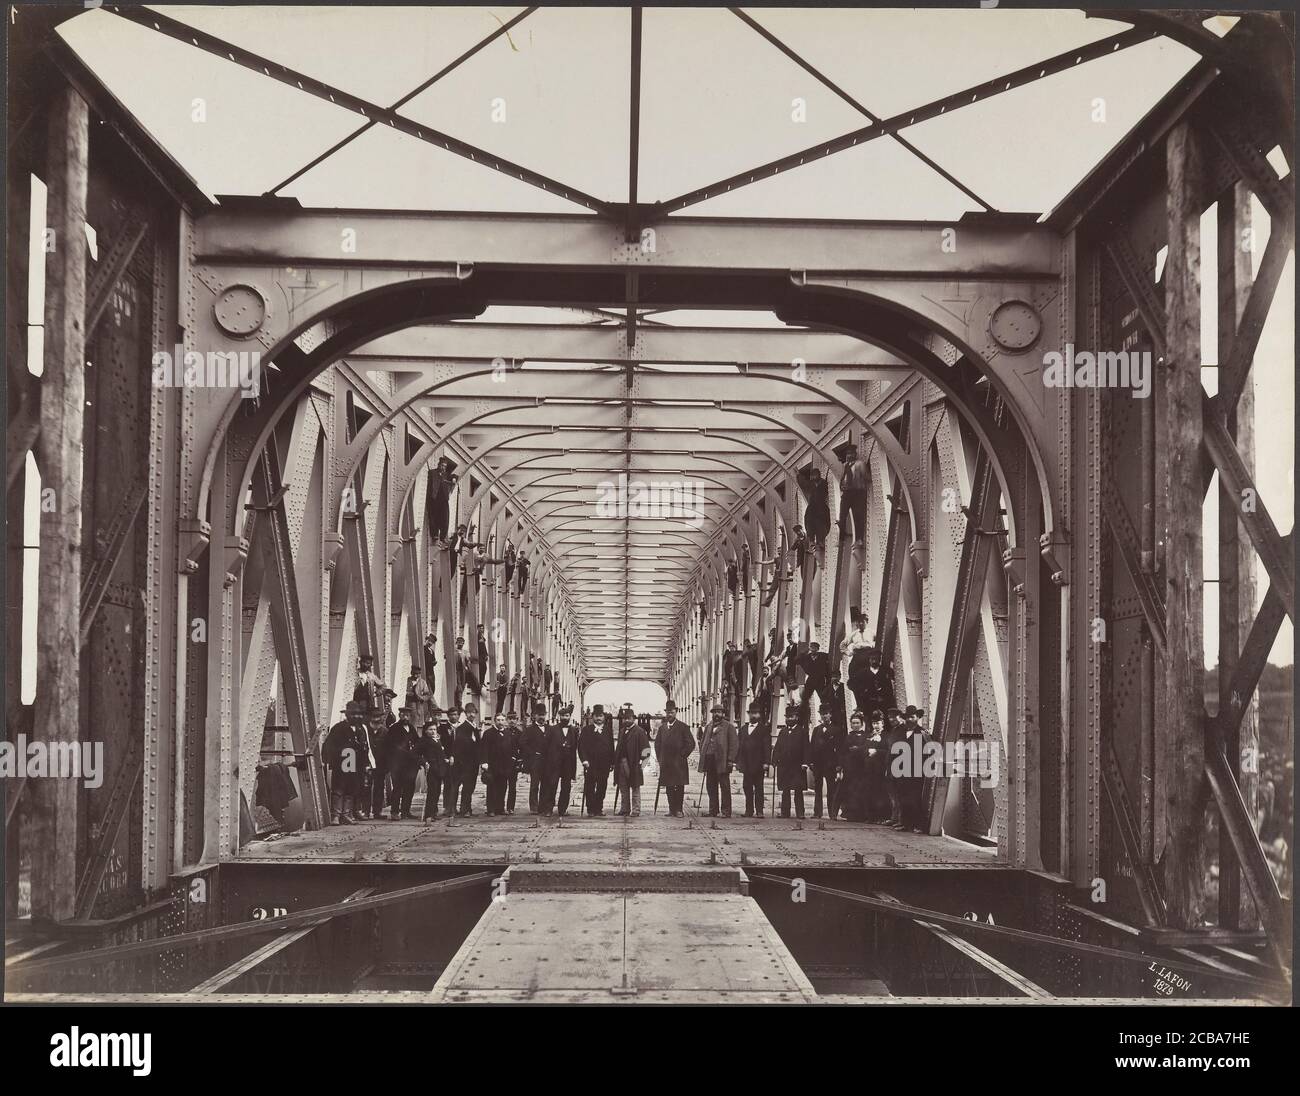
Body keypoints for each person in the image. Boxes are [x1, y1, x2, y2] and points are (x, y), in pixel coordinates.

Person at [322, 701, 368, 824]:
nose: (356, 717)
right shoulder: (338, 728)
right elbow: (329, 746)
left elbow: (365, 748)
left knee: (351, 789)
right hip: (342, 763)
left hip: (356, 764)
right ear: (347, 715)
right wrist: (329, 760)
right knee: (339, 788)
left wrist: (365, 764)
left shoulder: (360, 729)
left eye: (358, 714)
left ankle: (346, 814)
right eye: (353, 714)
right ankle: (336, 815)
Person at [655, 700, 695, 817]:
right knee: (669, 787)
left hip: (679, 763)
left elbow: (691, 743)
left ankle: (679, 810)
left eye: (671, 712)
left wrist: (682, 755)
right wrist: (660, 758)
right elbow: (657, 744)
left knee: (679, 786)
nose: (669, 714)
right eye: (668, 712)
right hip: (666, 763)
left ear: (676, 712)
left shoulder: (683, 727)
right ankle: (671, 809)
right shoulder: (662, 728)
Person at [698, 702, 737, 818]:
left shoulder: (728, 727)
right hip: (710, 760)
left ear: (723, 714)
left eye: (719, 712)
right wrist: (703, 755)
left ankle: (726, 811)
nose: (716, 714)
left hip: (722, 761)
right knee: (711, 786)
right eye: (715, 712)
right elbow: (703, 741)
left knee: (724, 786)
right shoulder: (709, 726)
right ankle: (713, 810)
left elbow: (734, 744)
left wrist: (730, 760)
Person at [384, 706, 422, 819]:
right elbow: (392, 747)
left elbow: (417, 742)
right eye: (403, 715)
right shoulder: (394, 729)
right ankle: (394, 812)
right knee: (397, 788)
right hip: (398, 765)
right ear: (400, 715)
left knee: (409, 788)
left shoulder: (411, 728)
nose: (405, 717)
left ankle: (406, 811)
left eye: (407, 715)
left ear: (410, 717)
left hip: (411, 765)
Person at [540, 709, 578, 816]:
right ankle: (548, 809)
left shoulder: (574, 730)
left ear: (570, 716)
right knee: (551, 785)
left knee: (566, 787)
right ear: (559, 717)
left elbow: (574, 747)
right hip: (554, 763)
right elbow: (546, 746)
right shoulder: (552, 729)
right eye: (563, 716)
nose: (565, 718)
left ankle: (562, 809)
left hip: (568, 763)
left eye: (567, 715)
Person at [899, 708, 933, 833]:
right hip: (902, 769)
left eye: (912, 717)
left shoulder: (923, 733)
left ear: (917, 717)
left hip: (917, 770)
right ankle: (906, 824)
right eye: (907, 717)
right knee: (904, 797)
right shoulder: (901, 731)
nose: (909, 719)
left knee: (915, 798)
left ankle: (919, 825)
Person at [612, 711, 651, 817]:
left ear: (634, 719)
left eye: (629, 718)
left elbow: (646, 749)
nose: (626, 720)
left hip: (633, 764)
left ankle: (636, 810)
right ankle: (625, 809)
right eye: (624, 718)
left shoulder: (640, 731)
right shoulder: (621, 731)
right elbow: (618, 748)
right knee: (623, 787)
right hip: (621, 763)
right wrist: (615, 762)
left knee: (635, 787)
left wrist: (642, 764)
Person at [736, 701, 770, 818]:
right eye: (752, 713)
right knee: (747, 788)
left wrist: (766, 762)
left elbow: (767, 746)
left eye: (756, 713)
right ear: (748, 714)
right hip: (746, 765)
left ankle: (759, 811)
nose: (754, 715)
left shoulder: (764, 729)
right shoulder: (743, 729)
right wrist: (738, 762)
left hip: (758, 765)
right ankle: (748, 810)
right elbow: (739, 747)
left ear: (759, 715)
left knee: (759, 788)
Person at [772, 711, 808, 819]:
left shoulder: (802, 731)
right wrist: (774, 760)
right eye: (787, 717)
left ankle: (800, 812)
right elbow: (777, 747)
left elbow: (806, 748)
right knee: (785, 789)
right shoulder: (783, 731)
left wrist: (805, 762)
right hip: (784, 765)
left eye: (791, 716)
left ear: (796, 717)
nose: (789, 719)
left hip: (797, 765)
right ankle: (785, 812)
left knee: (798, 789)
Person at [808, 711, 842, 820]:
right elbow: (812, 747)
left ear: (830, 715)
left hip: (830, 764)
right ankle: (817, 812)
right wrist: (811, 762)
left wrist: (838, 764)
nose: (824, 716)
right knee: (818, 788)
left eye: (826, 713)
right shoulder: (817, 729)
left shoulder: (836, 730)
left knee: (831, 788)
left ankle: (832, 813)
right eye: (822, 714)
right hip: (818, 764)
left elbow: (839, 749)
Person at [838, 711, 871, 822]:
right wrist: (842, 765)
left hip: (862, 768)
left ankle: (862, 815)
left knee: (861, 790)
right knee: (850, 791)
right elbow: (843, 751)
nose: (855, 725)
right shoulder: (848, 737)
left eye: (857, 723)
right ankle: (851, 814)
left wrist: (858, 749)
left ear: (862, 724)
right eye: (853, 723)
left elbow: (867, 749)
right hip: (850, 768)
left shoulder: (867, 736)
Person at [579, 716, 614, 816]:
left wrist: (612, 762)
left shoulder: (607, 730)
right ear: (593, 717)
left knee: (602, 786)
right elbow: (581, 746)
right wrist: (584, 760)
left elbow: (611, 746)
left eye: (601, 716)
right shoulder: (587, 730)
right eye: (596, 716)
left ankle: (598, 808)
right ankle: (590, 809)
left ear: (603, 717)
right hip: (590, 763)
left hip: (604, 764)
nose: (599, 718)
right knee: (590, 786)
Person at [452, 703, 481, 816]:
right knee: (465, 786)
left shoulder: (474, 727)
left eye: (473, 712)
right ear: (465, 713)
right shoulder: (462, 728)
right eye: (469, 712)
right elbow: (460, 746)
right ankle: (464, 809)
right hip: (464, 763)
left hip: (473, 763)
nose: (471, 715)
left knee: (470, 787)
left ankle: (467, 808)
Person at [481, 713, 512, 815]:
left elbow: (511, 748)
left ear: (505, 721)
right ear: (495, 721)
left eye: (502, 720)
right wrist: (484, 762)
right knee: (492, 787)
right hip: (492, 765)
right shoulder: (488, 733)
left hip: (504, 765)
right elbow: (484, 749)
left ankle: (500, 808)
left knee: (502, 787)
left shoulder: (508, 733)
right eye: (498, 720)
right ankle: (491, 809)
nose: (500, 722)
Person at [796, 463, 831, 553]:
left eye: (815, 475)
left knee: (821, 523)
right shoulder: (812, 484)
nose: (814, 477)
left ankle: (820, 540)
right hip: (814, 507)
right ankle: (812, 540)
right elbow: (803, 483)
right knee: (809, 522)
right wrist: (798, 474)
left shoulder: (823, 483)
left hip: (820, 507)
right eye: (813, 475)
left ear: (819, 475)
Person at [520, 703, 548, 813]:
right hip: (535, 762)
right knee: (534, 785)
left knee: (545, 784)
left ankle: (543, 806)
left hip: (546, 762)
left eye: (543, 715)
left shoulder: (550, 729)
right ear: (534, 716)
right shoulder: (529, 729)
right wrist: (532, 753)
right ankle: (534, 807)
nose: (542, 717)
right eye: (539, 715)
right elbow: (522, 743)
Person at [420, 716, 449, 820]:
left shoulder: (437, 739)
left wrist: (445, 758)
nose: (433, 731)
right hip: (431, 769)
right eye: (430, 729)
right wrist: (424, 762)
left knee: (437, 792)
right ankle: (428, 814)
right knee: (432, 792)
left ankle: (434, 812)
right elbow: (415, 754)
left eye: (434, 729)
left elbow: (440, 752)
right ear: (426, 731)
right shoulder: (423, 741)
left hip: (440, 769)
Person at [424, 455, 457, 546]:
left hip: (443, 499)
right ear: (438, 465)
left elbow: (454, 476)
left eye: (445, 466)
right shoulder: (432, 472)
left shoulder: (446, 475)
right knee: (433, 517)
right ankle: (435, 534)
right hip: (434, 499)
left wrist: (454, 478)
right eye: (442, 465)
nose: (443, 468)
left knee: (445, 518)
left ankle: (443, 536)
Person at [884, 708, 907, 827]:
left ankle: (900, 819)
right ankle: (894, 817)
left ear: (900, 717)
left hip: (900, 765)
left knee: (899, 793)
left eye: (894, 717)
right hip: (891, 764)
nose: (892, 719)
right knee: (892, 793)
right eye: (890, 717)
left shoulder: (904, 729)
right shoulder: (894, 730)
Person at [504, 712, 522, 814]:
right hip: (503, 762)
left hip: (514, 763)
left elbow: (522, 748)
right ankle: (500, 806)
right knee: (501, 786)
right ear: (507, 720)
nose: (512, 721)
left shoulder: (520, 733)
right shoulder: (504, 732)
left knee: (512, 786)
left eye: (514, 719)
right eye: (510, 718)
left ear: (517, 720)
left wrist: (519, 760)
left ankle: (511, 807)